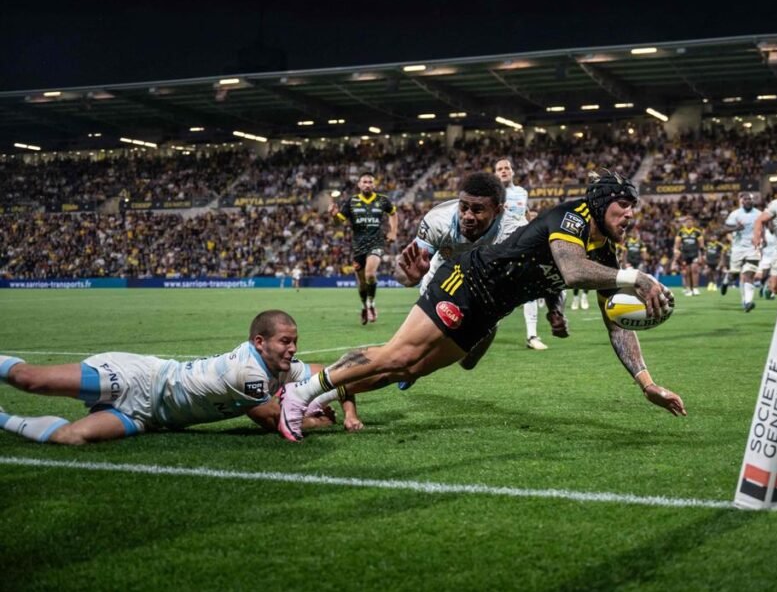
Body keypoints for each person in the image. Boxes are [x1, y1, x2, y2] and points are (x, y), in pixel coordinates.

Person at [277, 171, 685, 442]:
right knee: (398, 354)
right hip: (466, 281)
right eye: (623, 206)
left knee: (408, 369)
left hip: (489, 311)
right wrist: (637, 277)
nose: (630, 215)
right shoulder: (572, 218)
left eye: (633, 208)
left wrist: (646, 383)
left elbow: (616, 324)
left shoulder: (607, 254)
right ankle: (299, 394)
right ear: (600, 203)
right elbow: (573, 270)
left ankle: (320, 398)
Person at [0, 311, 355, 445]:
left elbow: (334, 375)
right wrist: (315, 420)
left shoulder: (280, 365)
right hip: (139, 378)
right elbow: (272, 419)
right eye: (285, 342)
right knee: (30, 379)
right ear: (259, 342)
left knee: (72, 436)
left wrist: (348, 408)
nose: (293, 349)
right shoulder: (246, 371)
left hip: (149, 416)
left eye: (295, 342)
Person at [392, 171, 550, 387]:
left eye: (477, 210)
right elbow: (402, 271)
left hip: (483, 289)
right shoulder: (439, 220)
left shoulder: (515, 231)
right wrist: (408, 277)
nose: (467, 215)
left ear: (498, 210)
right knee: (419, 343)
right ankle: (413, 368)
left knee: (468, 362)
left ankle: (484, 328)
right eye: (463, 207)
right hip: (442, 278)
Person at [495, 157, 549, 351]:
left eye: (506, 168)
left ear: (512, 171)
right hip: (500, 248)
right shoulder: (492, 193)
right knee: (495, 292)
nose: (503, 171)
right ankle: (485, 330)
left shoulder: (522, 192)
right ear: (495, 174)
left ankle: (532, 336)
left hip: (522, 246)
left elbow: (525, 213)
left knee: (530, 289)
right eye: (500, 169)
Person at [330, 173, 398, 325]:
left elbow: (393, 214)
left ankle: (371, 304)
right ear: (359, 185)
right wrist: (334, 216)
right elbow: (338, 222)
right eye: (364, 182)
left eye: (370, 182)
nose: (367, 185)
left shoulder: (382, 200)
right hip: (358, 246)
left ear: (374, 185)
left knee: (370, 274)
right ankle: (364, 306)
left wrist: (393, 232)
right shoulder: (351, 201)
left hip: (376, 243)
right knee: (361, 283)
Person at [722, 192, 761, 312]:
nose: (748, 201)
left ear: (753, 201)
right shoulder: (735, 214)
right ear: (742, 201)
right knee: (734, 274)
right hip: (738, 248)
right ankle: (726, 280)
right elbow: (725, 229)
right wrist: (736, 228)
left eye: (750, 199)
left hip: (753, 248)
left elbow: (764, 227)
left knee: (749, 275)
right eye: (746, 199)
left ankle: (748, 302)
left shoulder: (759, 214)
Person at [673, 215, 704, 296]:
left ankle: (695, 288)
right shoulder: (681, 232)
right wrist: (676, 250)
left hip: (694, 253)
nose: (689, 223)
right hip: (685, 254)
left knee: (694, 270)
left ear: (693, 223)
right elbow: (677, 243)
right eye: (687, 222)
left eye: (690, 221)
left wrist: (702, 255)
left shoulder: (697, 232)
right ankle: (688, 289)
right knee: (686, 272)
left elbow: (701, 244)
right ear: (684, 223)